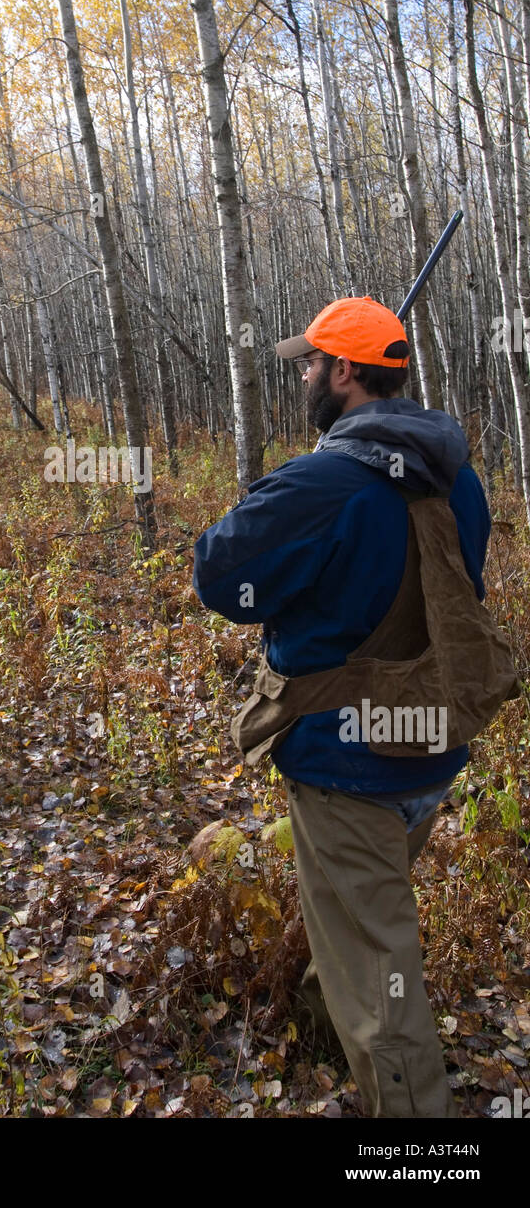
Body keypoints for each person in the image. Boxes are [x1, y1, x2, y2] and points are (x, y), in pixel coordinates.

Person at [192, 296, 519, 1119]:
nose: (303, 374)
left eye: (309, 362)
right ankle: (311, 1024)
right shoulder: (459, 477)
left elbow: (218, 578)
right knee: (356, 918)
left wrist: (284, 500)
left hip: (349, 764)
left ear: (343, 371)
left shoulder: (322, 482)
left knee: (382, 978)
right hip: (430, 748)